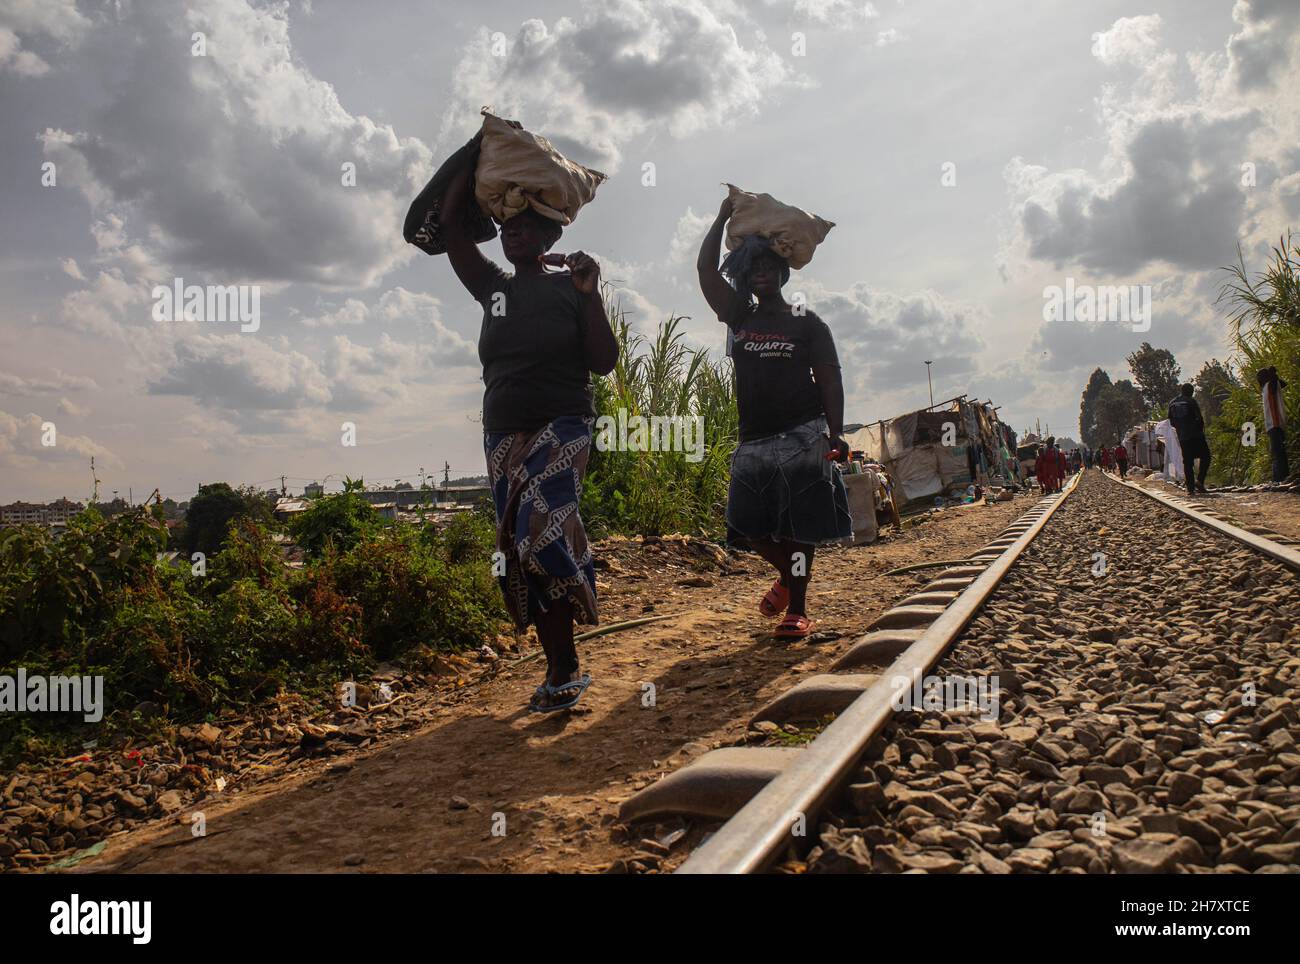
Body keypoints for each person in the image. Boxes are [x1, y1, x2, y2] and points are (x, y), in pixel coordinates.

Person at [438, 160, 618, 712]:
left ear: (549, 237)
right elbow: (450, 230)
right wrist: (473, 155)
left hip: (563, 426)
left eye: (526, 226)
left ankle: (565, 661)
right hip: (502, 437)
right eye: (507, 225)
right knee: (520, 549)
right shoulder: (492, 288)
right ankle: (559, 664)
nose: (513, 232)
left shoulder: (572, 289)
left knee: (540, 535)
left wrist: (589, 294)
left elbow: (604, 361)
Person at [697, 193, 851, 639]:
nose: (761, 271)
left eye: (769, 265)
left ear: (783, 272)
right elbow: (707, 271)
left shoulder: (807, 323)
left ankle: (798, 609)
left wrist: (835, 433)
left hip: (803, 433)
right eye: (754, 266)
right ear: (745, 274)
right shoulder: (738, 314)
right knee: (745, 527)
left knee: (800, 526)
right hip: (754, 437)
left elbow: (829, 379)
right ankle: (789, 578)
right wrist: (721, 215)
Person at [1167, 384, 1210, 495]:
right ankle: (1200, 481)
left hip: (1182, 437)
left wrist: (1180, 430)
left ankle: (1190, 488)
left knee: (1187, 462)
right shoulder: (1191, 401)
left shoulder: (1172, 403)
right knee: (1206, 456)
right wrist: (1200, 431)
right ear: (1190, 392)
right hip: (1196, 435)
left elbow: (1171, 422)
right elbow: (1199, 418)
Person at [1259, 367, 1289, 483]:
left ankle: (1280, 478)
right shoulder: (1269, 387)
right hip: (1275, 424)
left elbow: (1282, 384)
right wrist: (1272, 374)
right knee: (1279, 452)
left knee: (1278, 452)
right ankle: (1281, 478)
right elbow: (1281, 384)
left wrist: (1272, 374)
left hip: (1274, 424)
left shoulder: (1269, 386)